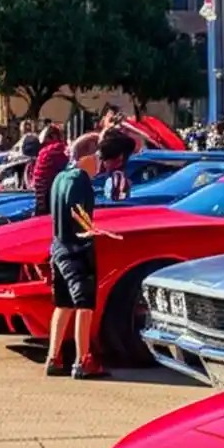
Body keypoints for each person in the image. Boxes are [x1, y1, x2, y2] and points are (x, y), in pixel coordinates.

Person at [44, 131, 136, 379]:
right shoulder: (80, 181)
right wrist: (94, 232)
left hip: (58, 246)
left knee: (63, 304)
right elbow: (78, 215)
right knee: (84, 304)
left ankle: (54, 356)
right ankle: (83, 360)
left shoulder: (61, 177)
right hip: (77, 249)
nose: (101, 166)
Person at [32, 125, 70, 217]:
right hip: (48, 191)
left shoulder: (43, 152)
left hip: (39, 194)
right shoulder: (56, 150)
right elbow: (67, 165)